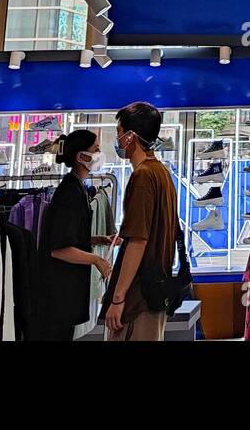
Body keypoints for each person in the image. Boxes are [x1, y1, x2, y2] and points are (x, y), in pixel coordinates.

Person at [101, 102, 179, 341]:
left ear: (130, 137)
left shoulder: (143, 176)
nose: (118, 141)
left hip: (139, 297)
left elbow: (138, 241)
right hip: (156, 288)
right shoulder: (162, 173)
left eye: (119, 134)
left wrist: (118, 297)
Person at [37, 130, 116, 341]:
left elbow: (68, 236)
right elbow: (60, 249)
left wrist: (96, 240)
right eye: (96, 150)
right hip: (58, 295)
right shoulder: (69, 193)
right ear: (81, 156)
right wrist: (96, 259)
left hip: (66, 294)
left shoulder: (77, 188)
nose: (100, 154)